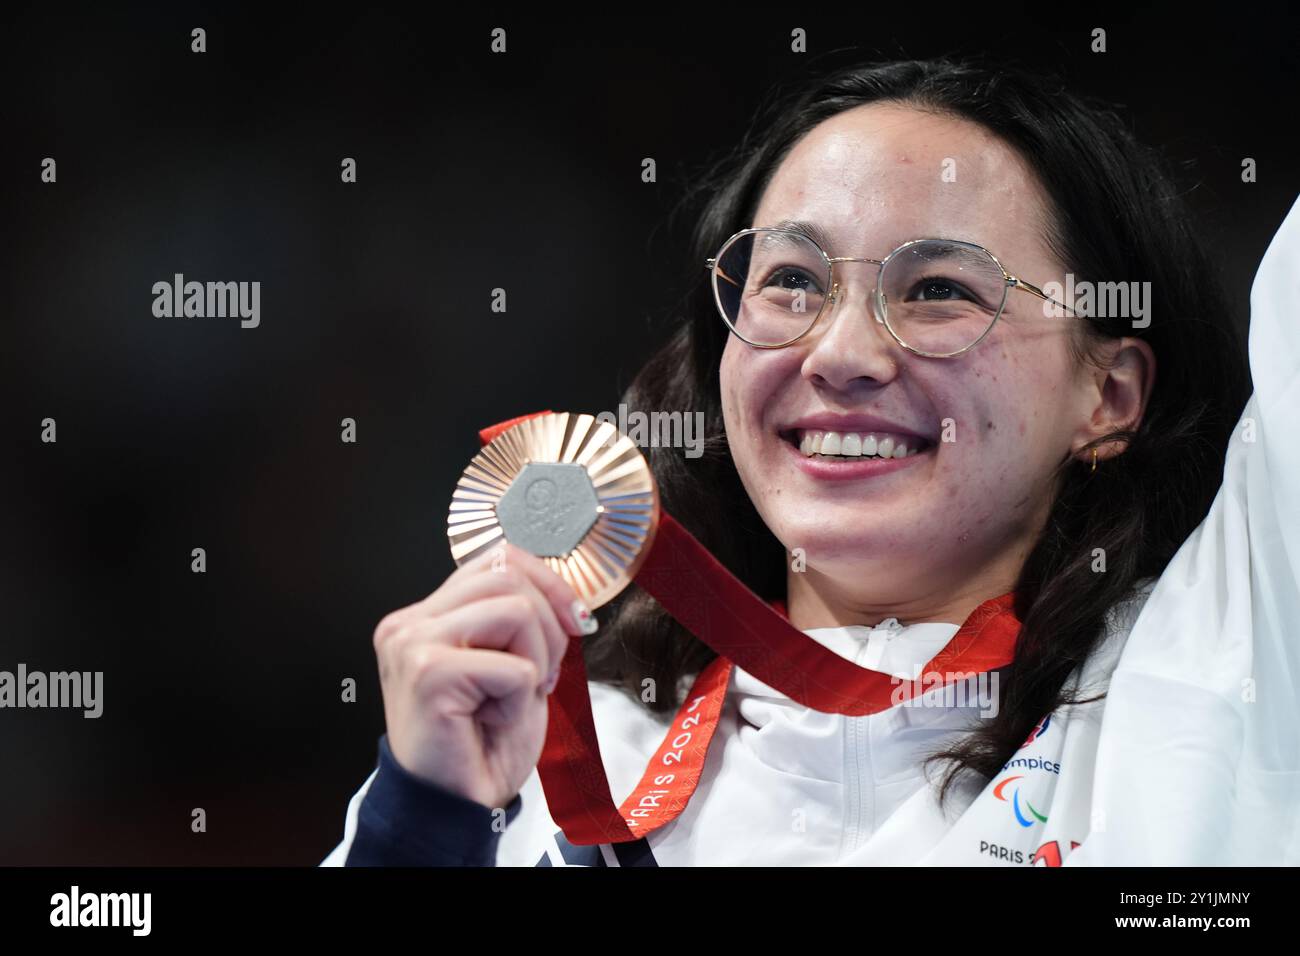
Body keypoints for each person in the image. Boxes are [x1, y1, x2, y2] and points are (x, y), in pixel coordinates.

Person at [321, 56, 1300, 866]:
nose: (838, 354)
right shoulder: (533, 756)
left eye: (939, 289)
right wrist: (423, 821)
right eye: (790, 280)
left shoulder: (1228, 668)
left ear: (1109, 394)